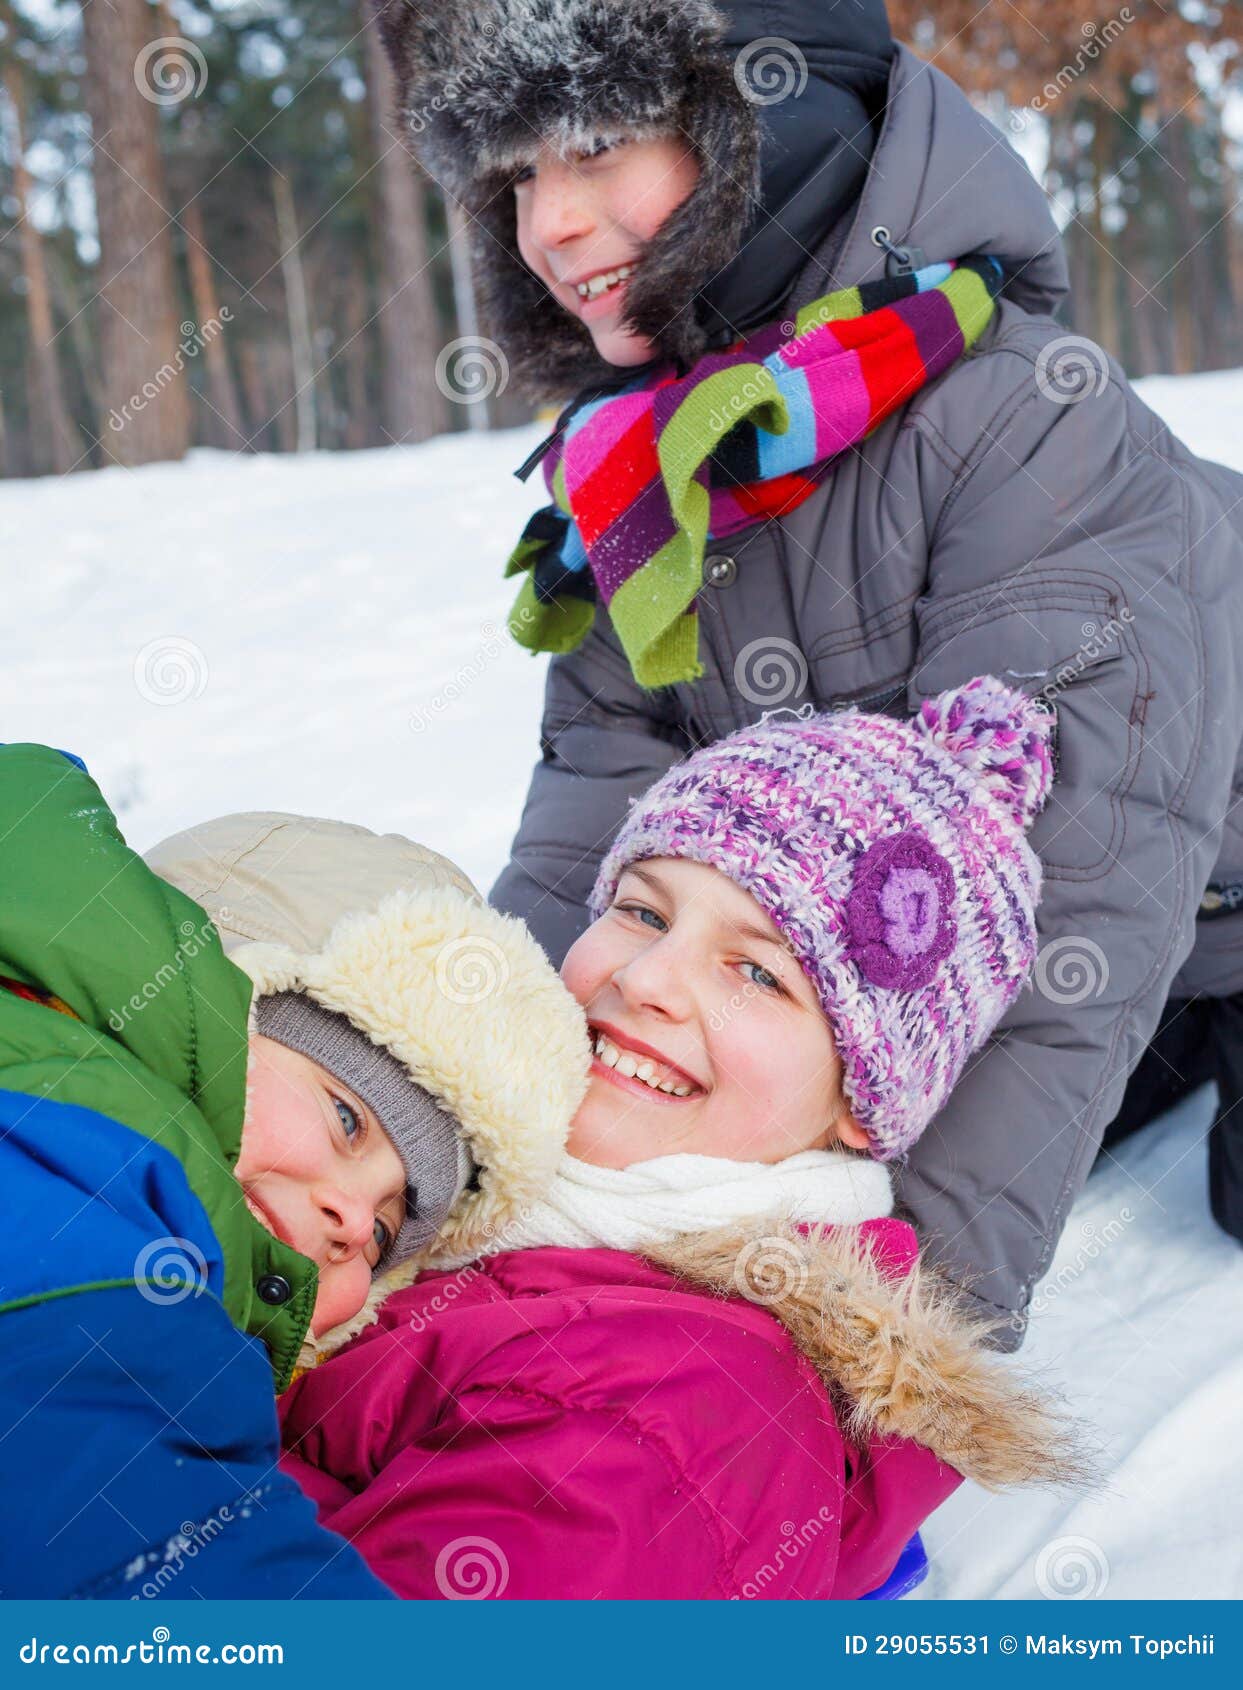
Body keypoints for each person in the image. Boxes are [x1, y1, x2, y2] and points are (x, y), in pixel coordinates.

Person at [378, 0, 1243, 1339]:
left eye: (595, 146)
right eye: (515, 175)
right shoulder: (650, 470)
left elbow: (1080, 892)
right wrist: (443, 1152)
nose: (548, 226)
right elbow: (593, 819)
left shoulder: (1022, 423)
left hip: (1181, 891)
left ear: (762, 125)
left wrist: (879, 1353)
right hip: (964, 934)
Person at [278, 677, 1087, 1601]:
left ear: (863, 1103)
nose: (647, 979)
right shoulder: (440, 1174)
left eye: (757, 973)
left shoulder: (674, 1405)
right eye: (643, 912)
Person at [0, 747, 587, 1597]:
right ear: (216, 998)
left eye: (386, 1231)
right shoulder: (80, 1166)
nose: (353, 1220)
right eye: (346, 1119)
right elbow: (140, 1545)